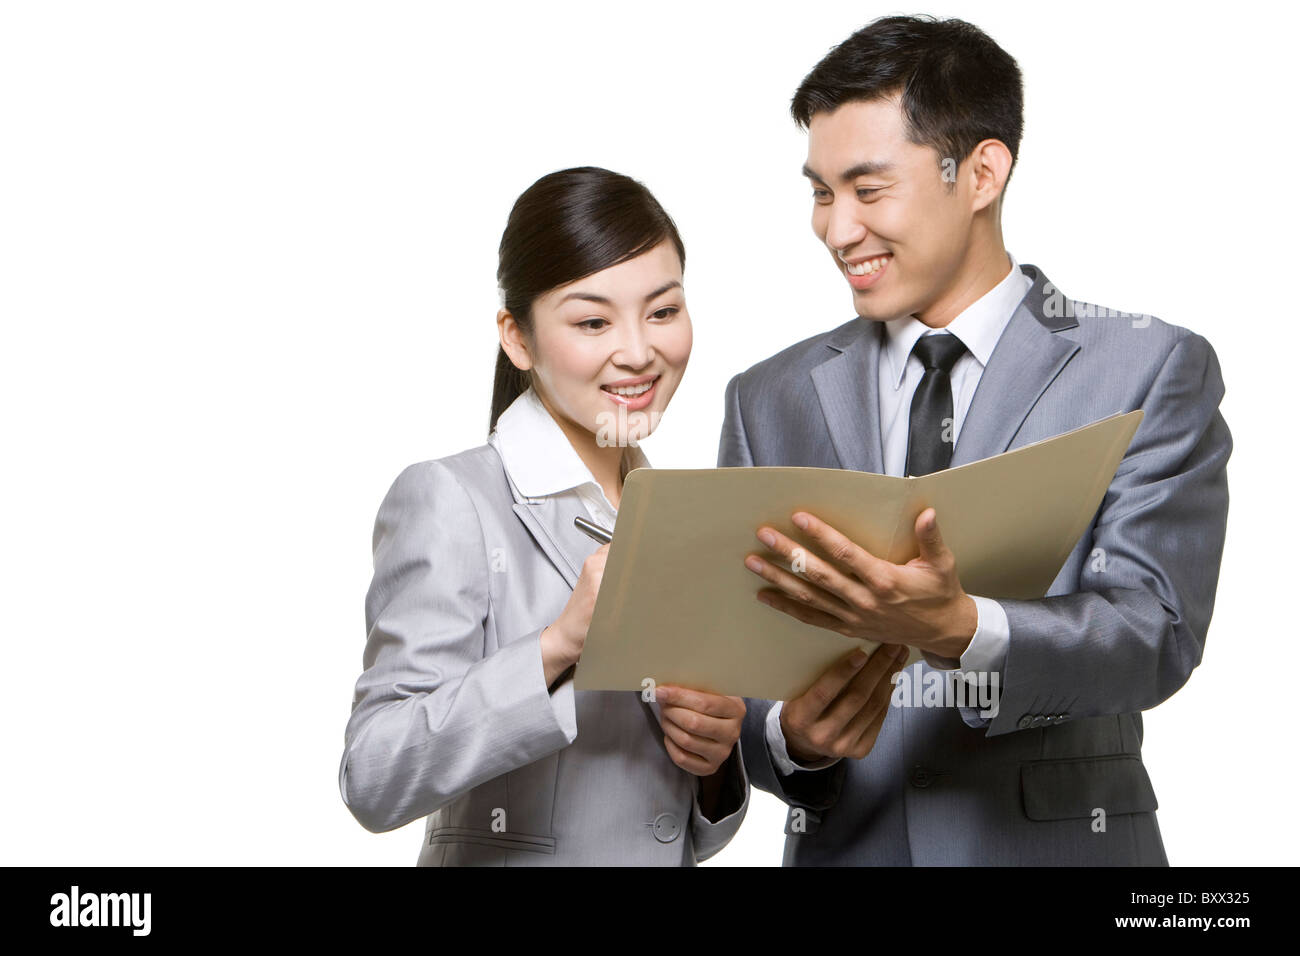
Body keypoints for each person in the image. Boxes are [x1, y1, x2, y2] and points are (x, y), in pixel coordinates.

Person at [719, 15, 1230, 865]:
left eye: (868, 188)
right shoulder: (765, 398)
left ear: (982, 172)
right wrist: (790, 744)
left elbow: (1155, 633)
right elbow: (735, 662)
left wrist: (963, 628)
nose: (835, 229)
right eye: (819, 191)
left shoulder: (1147, 367)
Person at [340, 166, 749, 865]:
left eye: (663, 311)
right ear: (518, 337)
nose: (639, 351)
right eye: (593, 321)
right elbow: (375, 773)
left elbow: (655, 820)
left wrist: (713, 764)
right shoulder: (451, 499)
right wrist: (557, 647)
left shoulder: (685, 518)